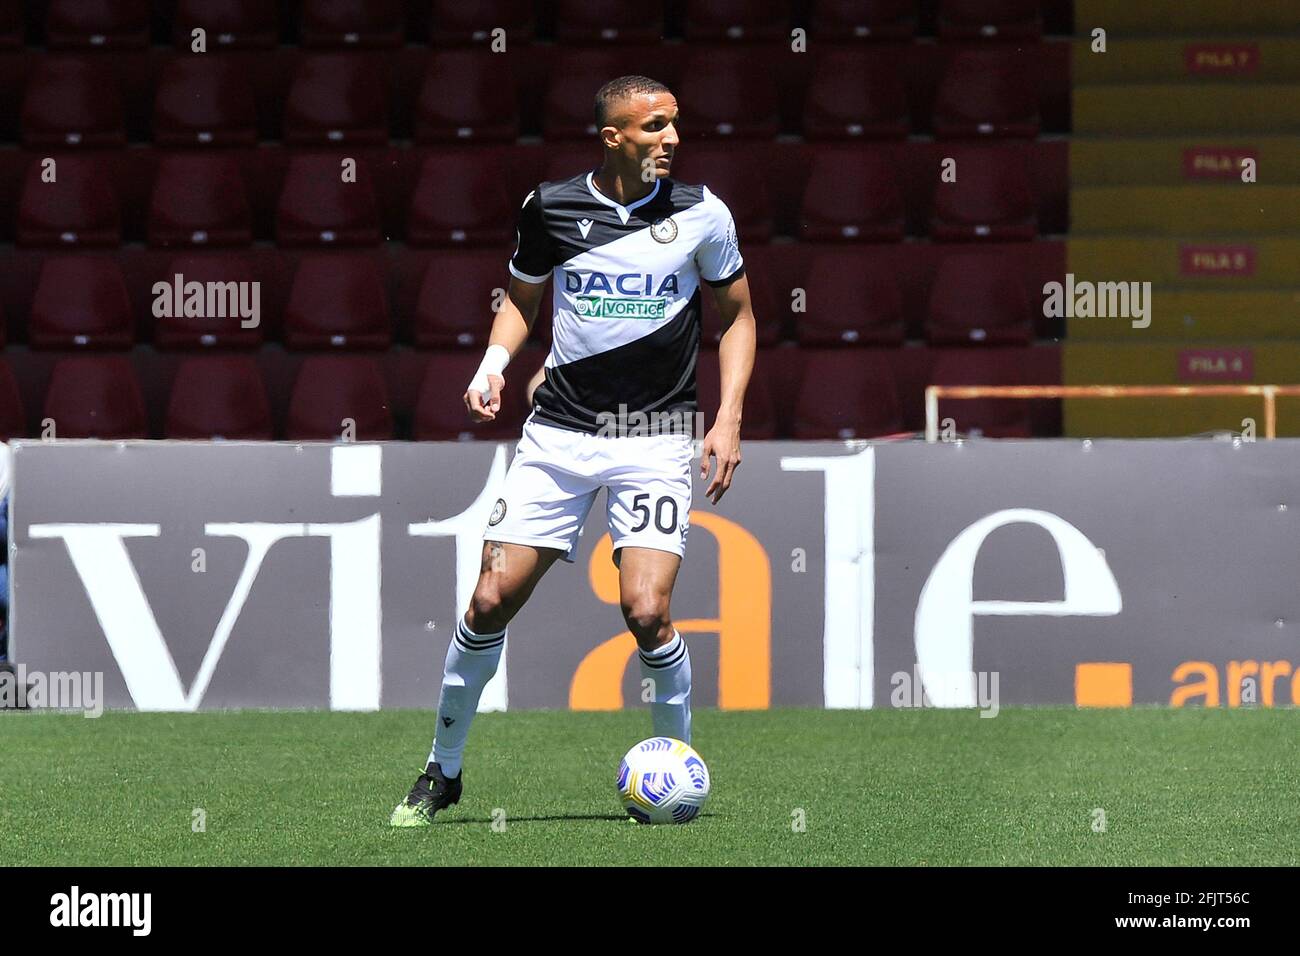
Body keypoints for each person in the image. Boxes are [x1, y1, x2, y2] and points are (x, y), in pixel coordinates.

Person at [391, 75, 756, 826]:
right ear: (613, 136)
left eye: (676, 125)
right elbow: (523, 301)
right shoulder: (550, 207)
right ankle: (443, 770)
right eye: (654, 127)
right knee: (490, 599)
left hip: (653, 438)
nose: (672, 139)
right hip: (559, 435)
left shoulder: (702, 214)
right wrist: (493, 365)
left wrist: (728, 417)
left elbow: (740, 315)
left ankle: (678, 767)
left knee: (647, 610)